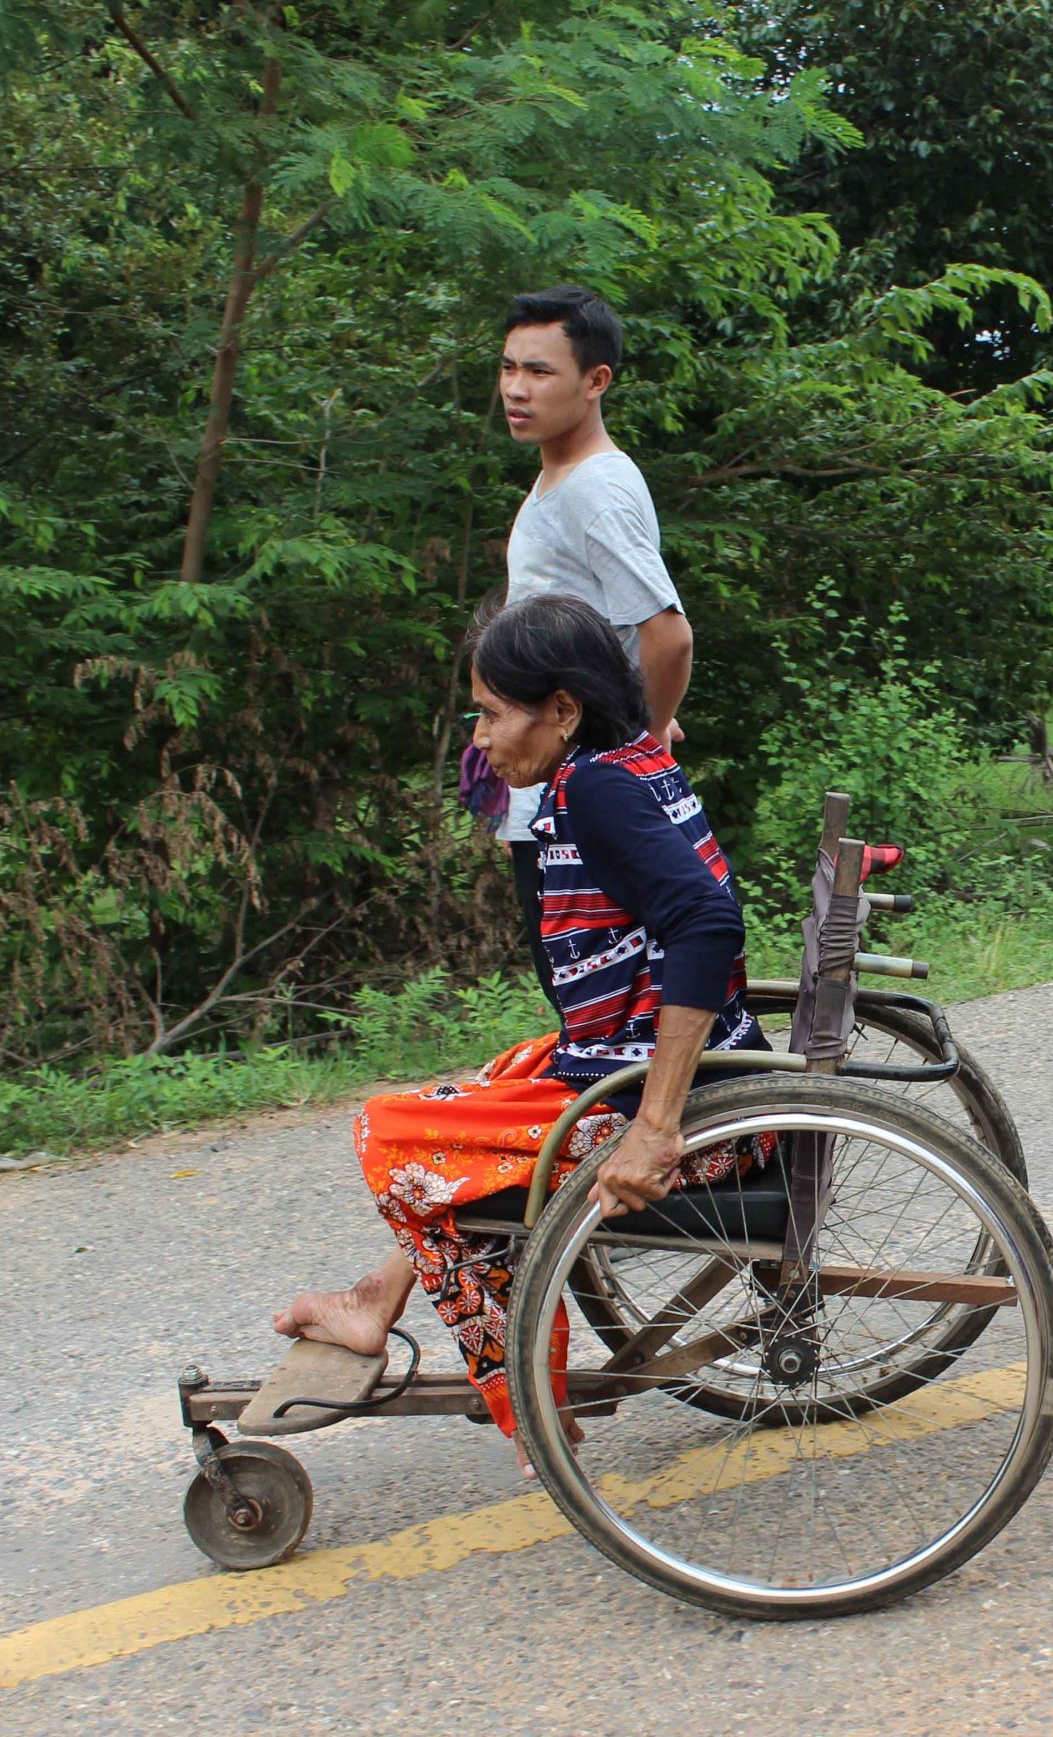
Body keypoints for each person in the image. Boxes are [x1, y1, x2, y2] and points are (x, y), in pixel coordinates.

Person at [279, 596, 765, 1466]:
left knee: (388, 1133)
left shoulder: (598, 789)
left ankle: (526, 1384)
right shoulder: (631, 756)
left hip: (686, 1111)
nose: (480, 739)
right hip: (673, 1068)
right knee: (488, 1082)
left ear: (563, 709)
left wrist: (657, 1127)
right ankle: (376, 1297)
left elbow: (706, 922)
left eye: (492, 714)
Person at [458, 284, 694, 1005]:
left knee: (599, 1010)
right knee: (602, 1007)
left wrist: (642, 742)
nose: (515, 389)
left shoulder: (595, 490)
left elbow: (667, 634)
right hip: (551, 785)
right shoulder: (559, 476)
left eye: (540, 371)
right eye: (508, 368)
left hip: (581, 794)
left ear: (596, 381)